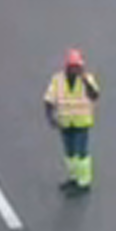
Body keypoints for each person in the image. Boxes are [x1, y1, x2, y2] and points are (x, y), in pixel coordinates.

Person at [43, 49, 101, 193]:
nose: (76, 70)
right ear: (67, 67)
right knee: (69, 154)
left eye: (78, 67)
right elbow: (49, 99)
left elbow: (94, 95)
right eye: (73, 67)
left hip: (82, 123)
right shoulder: (58, 80)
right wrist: (50, 117)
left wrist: (85, 81)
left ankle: (84, 183)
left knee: (81, 153)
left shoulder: (87, 79)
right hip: (65, 123)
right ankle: (74, 178)